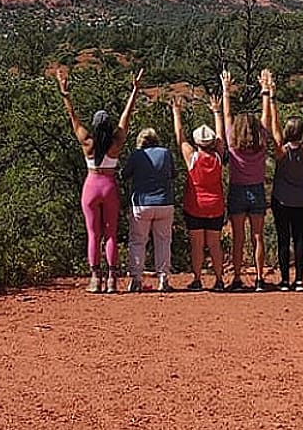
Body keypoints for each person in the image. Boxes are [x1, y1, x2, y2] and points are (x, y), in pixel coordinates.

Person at [56, 67, 143, 294]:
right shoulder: (116, 143)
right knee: (111, 233)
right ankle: (113, 279)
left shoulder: (87, 142)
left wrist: (66, 95)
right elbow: (127, 116)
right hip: (109, 186)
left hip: (91, 185)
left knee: (93, 233)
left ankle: (95, 278)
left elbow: (73, 119)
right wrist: (134, 91)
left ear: (95, 126)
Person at [263, 69, 303, 292]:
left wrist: (271, 95)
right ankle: (299, 280)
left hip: (281, 201)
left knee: (283, 239)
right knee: (299, 237)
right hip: (301, 200)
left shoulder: (281, 151)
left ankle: (285, 281)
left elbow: (274, 123)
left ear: (288, 133)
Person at [220, 69, 271, 291]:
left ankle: (238, 278)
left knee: (238, 237)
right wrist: (266, 92)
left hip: (237, 190)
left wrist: (226, 90)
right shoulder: (262, 141)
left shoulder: (232, 140)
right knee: (258, 237)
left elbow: (227, 114)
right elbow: (266, 117)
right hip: (257, 190)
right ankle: (260, 279)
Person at [172, 95, 227, 291]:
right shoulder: (218, 156)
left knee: (197, 245)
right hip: (216, 207)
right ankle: (220, 280)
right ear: (211, 142)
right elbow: (221, 135)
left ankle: (197, 279)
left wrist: (176, 112)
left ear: (197, 142)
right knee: (214, 244)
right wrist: (216, 111)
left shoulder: (192, 157)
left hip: (195, 206)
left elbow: (180, 138)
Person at [122, 127, 175, 293]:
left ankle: (136, 279)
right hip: (164, 202)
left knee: (138, 241)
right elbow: (173, 174)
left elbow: (124, 174)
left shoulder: (137, 155)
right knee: (164, 241)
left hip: (141, 204)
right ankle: (163, 278)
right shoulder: (166, 153)